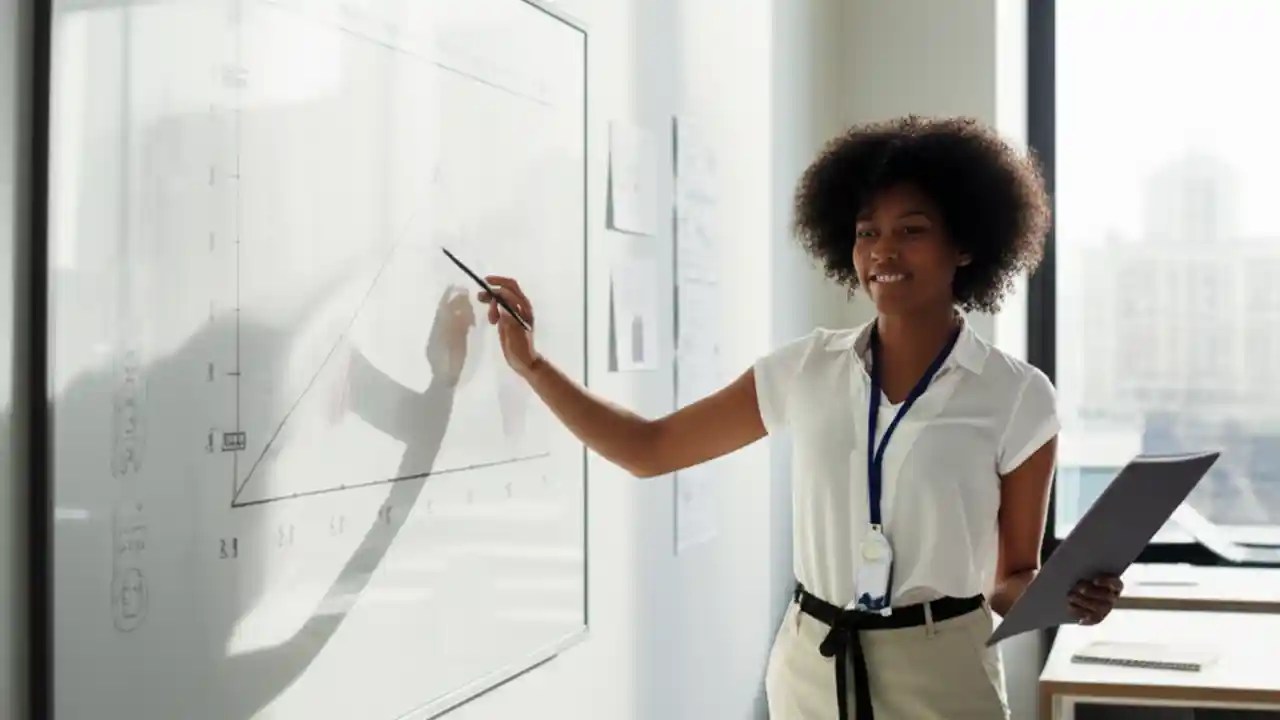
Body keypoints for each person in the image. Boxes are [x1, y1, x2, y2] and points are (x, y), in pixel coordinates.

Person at [475, 115, 1124, 720]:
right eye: (867, 231)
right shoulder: (804, 369)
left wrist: (1065, 600)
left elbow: (1012, 577)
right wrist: (533, 366)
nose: (882, 251)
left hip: (944, 672)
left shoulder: (1017, 395)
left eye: (912, 229)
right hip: (813, 666)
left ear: (966, 246)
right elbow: (649, 449)